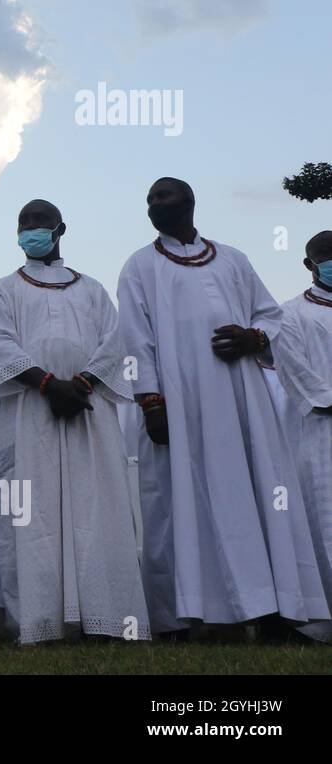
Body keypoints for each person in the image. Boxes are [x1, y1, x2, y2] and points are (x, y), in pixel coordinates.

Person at [118, 178, 329, 637]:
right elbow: (135, 339)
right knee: (178, 501)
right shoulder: (139, 266)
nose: (154, 204)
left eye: (163, 195)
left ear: (189, 202)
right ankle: (191, 618)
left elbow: (270, 315)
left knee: (256, 495)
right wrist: (151, 401)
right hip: (179, 406)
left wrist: (254, 338)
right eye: (150, 199)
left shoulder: (233, 259)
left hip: (241, 401)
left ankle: (273, 613)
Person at [0, 200, 148, 642]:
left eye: (40, 221)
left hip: (87, 412)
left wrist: (83, 383)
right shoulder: (4, 290)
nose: (31, 228)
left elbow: (114, 341)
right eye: (24, 222)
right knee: (34, 515)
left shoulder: (91, 289)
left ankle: (105, 616)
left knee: (97, 507)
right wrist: (47, 384)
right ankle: (41, 622)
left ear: (61, 229)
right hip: (29, 412)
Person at [273, 231, 332, 639]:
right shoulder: (290, 314)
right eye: (324, 256)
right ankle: (321, 621)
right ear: (309, 265)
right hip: (318, 432)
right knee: (323, 521)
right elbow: (294, 369)